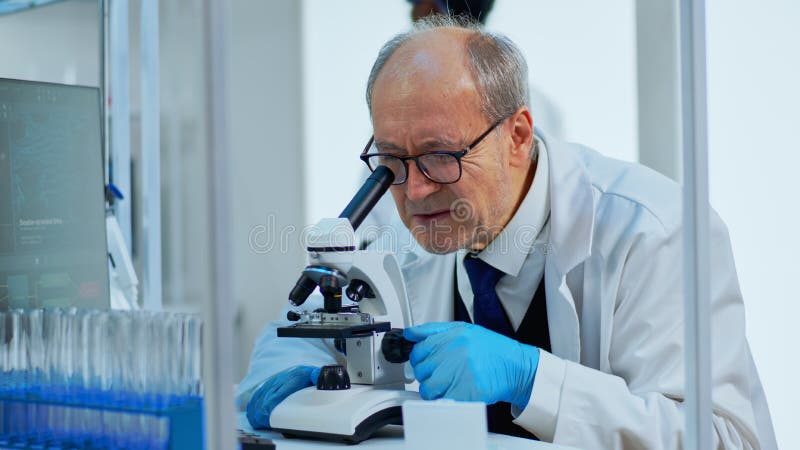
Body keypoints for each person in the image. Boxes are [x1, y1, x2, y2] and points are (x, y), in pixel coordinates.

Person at [238, 16, 777, 449]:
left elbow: (722, 439)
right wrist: (295, 386)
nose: (415, 191)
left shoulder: (654, 232)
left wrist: (533, 380)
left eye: (440, 155)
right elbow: (294, 337)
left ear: (517, 135)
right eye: (392, 159)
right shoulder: (405, 232)